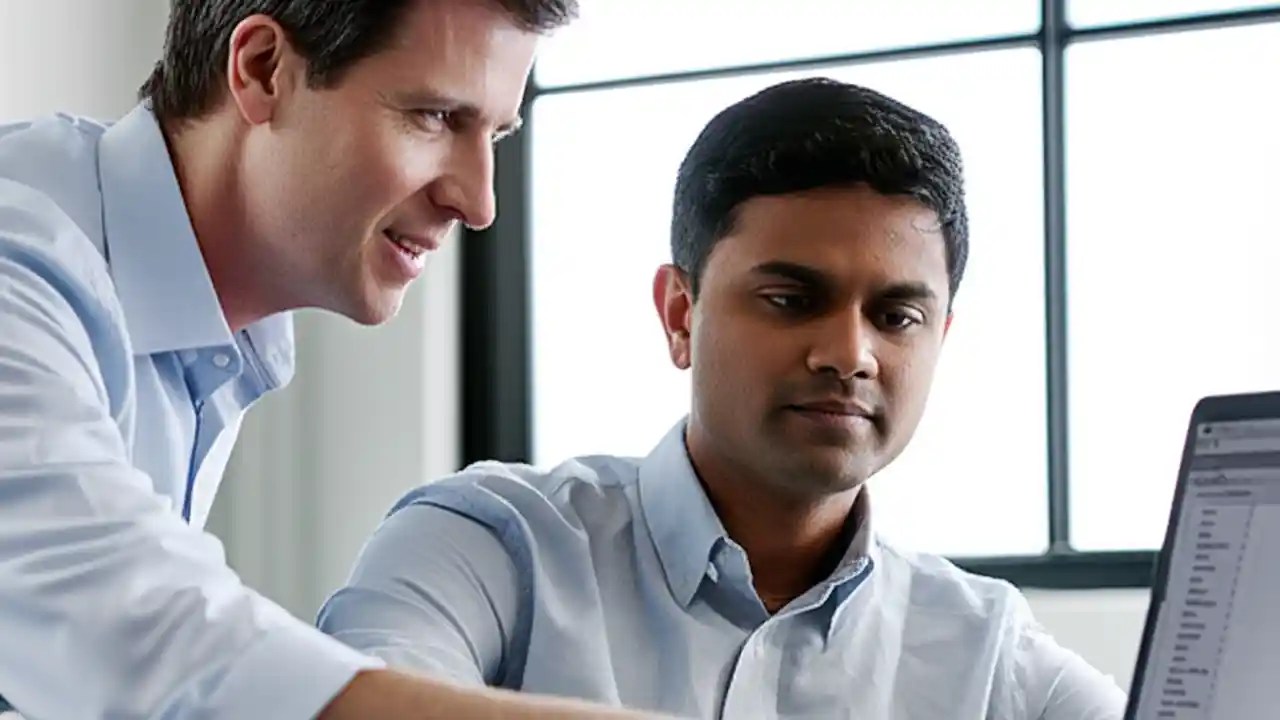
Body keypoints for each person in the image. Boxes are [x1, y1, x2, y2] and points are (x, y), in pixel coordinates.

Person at [317, 77, 1129, 718]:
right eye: (790, 298)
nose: (849, 354)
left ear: (939, 341)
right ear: (680, 314)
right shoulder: (489, 543)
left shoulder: (989, 648)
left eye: (896, 316)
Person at [0, 1, 659, 718]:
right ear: (263, 70)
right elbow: (145, 647)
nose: (477, 201)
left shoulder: (210, 334)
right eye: (436, 117)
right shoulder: (21, 258)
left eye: (496, 134)